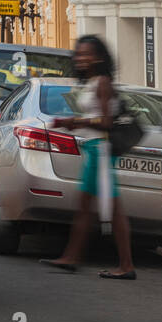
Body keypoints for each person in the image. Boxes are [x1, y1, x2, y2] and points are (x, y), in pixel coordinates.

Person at [42, 35, 135, 279]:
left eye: (87, 54)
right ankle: (73, 257)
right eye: (79, 54)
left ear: (99, 57)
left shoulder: (103, 82)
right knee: (88, 207)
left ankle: (125, 265)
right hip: (94, 149)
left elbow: (106, 122)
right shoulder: (94, 81)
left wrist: (74, 121)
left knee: (108, 209)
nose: (82, 59)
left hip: (102, 150)